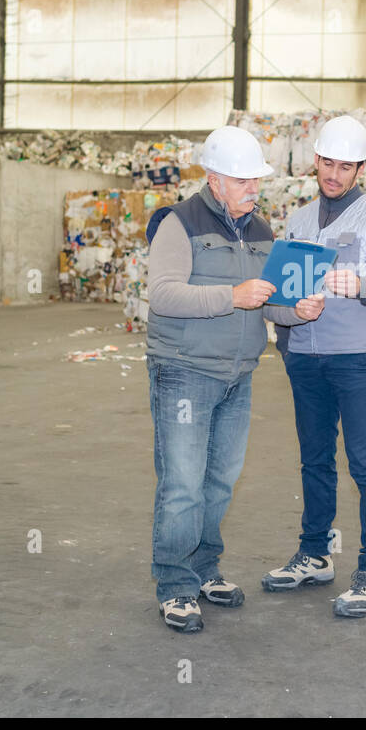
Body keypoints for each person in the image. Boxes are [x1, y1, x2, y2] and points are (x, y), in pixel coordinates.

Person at [145, 125, 324, 633]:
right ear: (215, 178)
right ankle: (175, 585)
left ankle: (204, 570)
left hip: (238, 374)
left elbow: (270, 304)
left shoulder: (262, 229)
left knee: (219, 482)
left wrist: (300, 310)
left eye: (256, 181)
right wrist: (232, 295)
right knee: (182, 484)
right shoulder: (178, 223)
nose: (254, 189)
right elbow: (163, 295)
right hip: (184, 371)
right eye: (244, 180)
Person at [261, 114, 366, 617]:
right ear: (316, 160)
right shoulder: (299, 220)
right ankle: (315, 555)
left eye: (344, 165)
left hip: (357, 360)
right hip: (305, 361)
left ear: (360, 167)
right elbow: (278, 294)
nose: (333, 173)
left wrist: (363, 287)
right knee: (314, 461)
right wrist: (288, 332)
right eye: (327, 162)